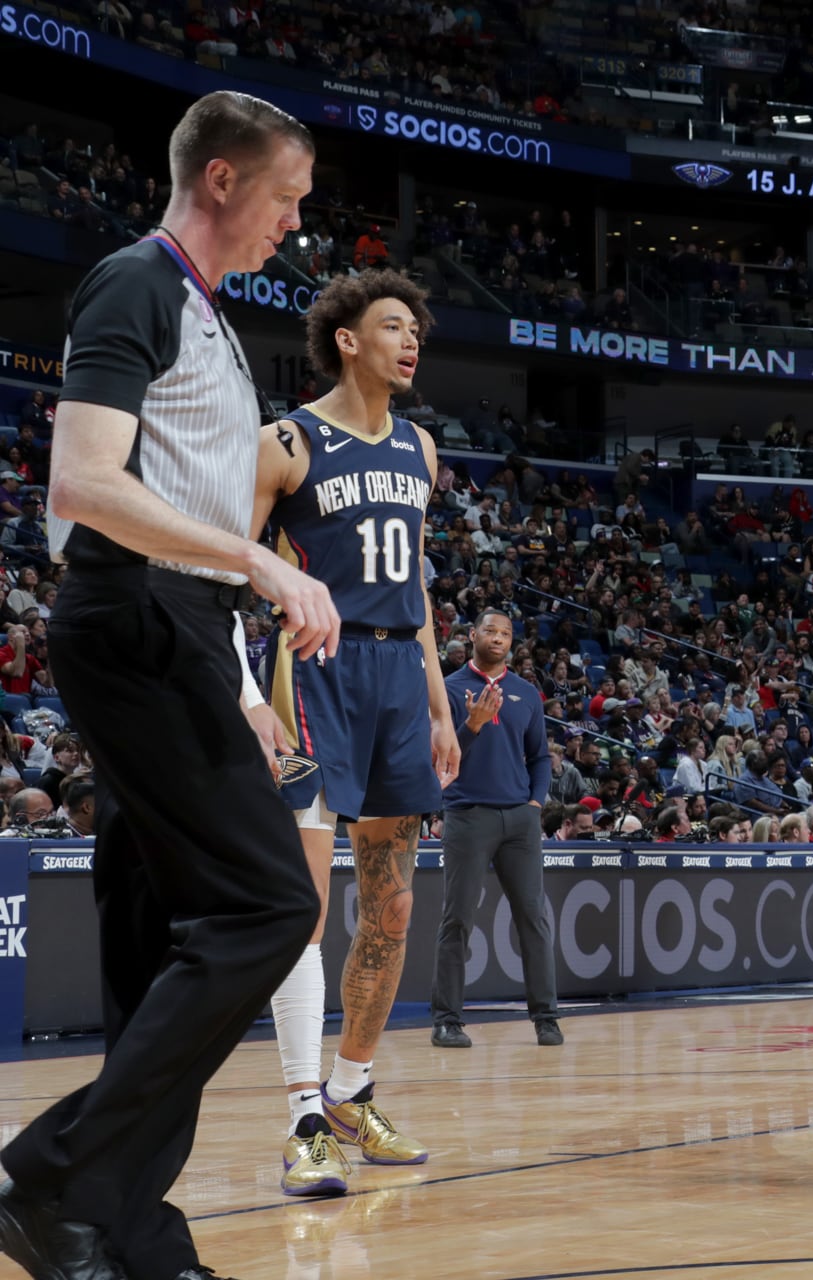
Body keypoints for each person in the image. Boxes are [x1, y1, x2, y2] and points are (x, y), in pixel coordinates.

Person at [0, 91, 340, 1280]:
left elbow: (185, 501)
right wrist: (252, 559)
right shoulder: (135, 284)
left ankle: (126, 1229)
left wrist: (237, 630)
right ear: (224, 181)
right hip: (135, 616)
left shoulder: (207, 315)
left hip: (182, 623)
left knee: (158, 940)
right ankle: (48, 1173)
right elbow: (87, 483)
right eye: (287, 197)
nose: (293, 225)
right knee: (266, 904)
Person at [255, 269, 459, 1196]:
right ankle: (302, 1119)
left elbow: (414, 587)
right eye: (392, 325)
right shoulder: (287, 440)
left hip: (395, 681)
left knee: (392, 908)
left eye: (415, 328)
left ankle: (351, 1088)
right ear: (346, 339)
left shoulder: (419, 449)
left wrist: (441, 703)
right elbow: (233, 567)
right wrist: (251, 701)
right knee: (307, 907)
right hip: (315, 670)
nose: (410, 340)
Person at [432, 607, 560, 1048]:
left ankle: (546, 1018)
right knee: (458, 920)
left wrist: (535, 803)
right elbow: (439, 759)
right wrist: (471, 725)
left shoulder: (526, 692)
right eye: (491, 630)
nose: (499, 637)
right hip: (468, 815)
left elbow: (540, 756)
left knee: (533, 918)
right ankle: (447, 1020)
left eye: (506, 632)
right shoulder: (448, 690)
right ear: (472, 636)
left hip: (519, 820)